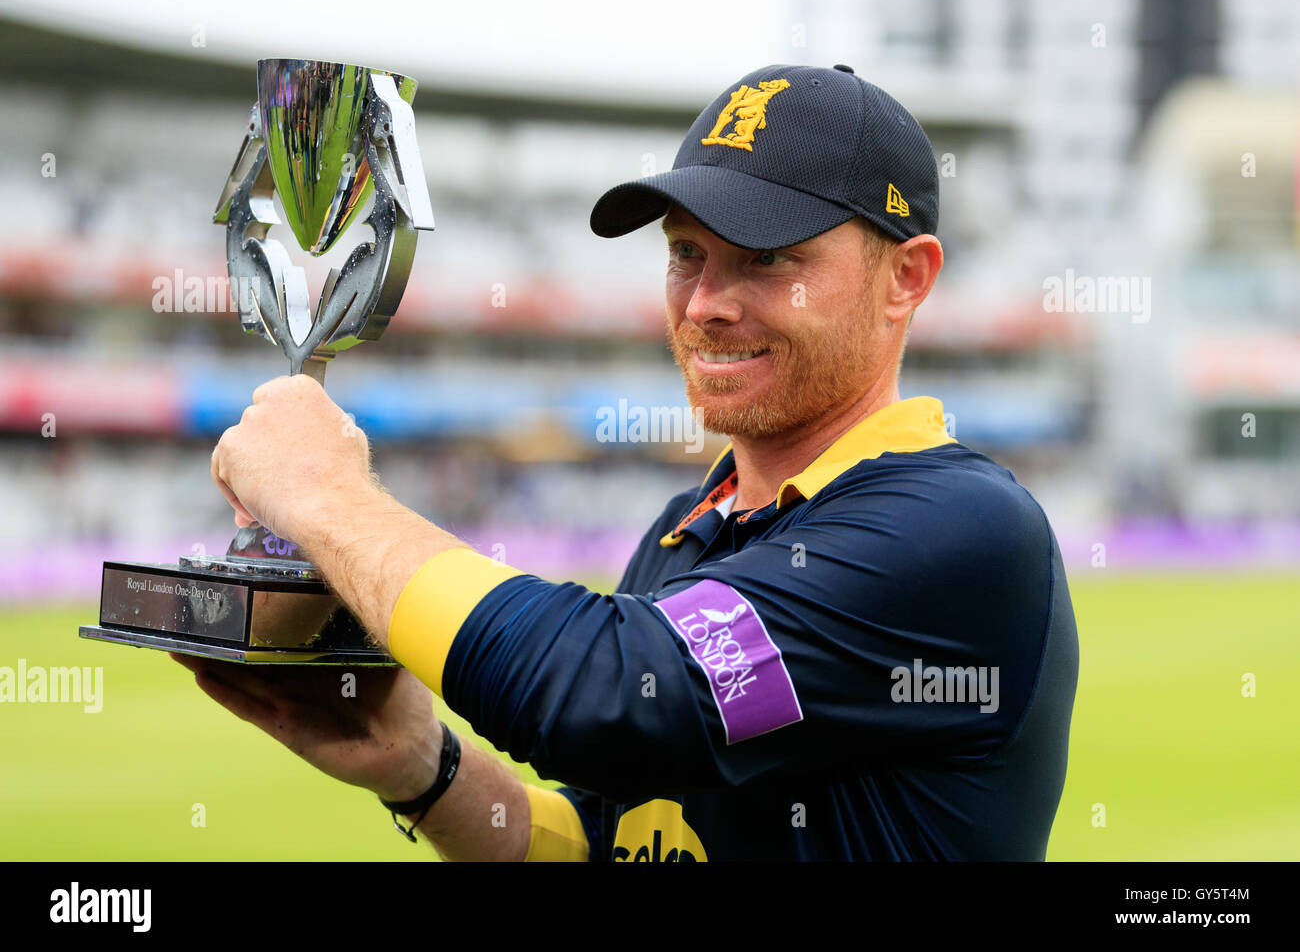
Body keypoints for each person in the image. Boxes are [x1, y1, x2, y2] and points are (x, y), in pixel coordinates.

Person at [177, 63, 1079, 861]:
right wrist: (427, 770)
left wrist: (326, 498)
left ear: (908, 278)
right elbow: (616, 840)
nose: (708, 303)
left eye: (767, 257)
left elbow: (608, 695)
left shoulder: (959, 527)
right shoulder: (688, 529)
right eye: (687, 254)